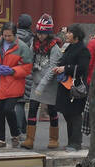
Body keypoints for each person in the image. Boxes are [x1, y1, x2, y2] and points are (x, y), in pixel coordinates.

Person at [0, 23, 31, 148]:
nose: (7, 38)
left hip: (14, 83)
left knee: (8, 109)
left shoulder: (23, 47)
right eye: (4, 35)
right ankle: (1, 139)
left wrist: (13, 70)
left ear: (15, 35)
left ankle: (15, 135)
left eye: (9, 36)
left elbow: (27, 68)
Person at [22, 14, 64, 149]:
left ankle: (54, 138)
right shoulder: (34, 43)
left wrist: (42, 85)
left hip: (50, 83)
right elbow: (29, 58)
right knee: (32, 109)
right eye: (38, 33)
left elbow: (52, 69)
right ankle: (29, 139)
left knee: (52, 110)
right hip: (36, 80)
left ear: (49, 33)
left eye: (43, 34)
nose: (40, 36)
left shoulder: (55, 48)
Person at [53, 24, 91, 151]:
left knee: (75, 115)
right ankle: (70, 142)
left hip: (76, 87)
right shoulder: (69, 47)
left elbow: (82, 68)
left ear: (77, 36)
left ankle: (76, 143)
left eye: (70, 33)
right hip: (65, 85)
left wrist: (65, 68)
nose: (67, 35)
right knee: (67, 114)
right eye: (67, 32)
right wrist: (58, 68)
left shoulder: (83, 50)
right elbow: (64, 61)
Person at [14, 13, 37, 135]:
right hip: (28, 72)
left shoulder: (13, 38)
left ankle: (19, 130)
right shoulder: (33, 38)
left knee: (18, 102)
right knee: (21, 102)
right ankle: (23, 128)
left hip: (14, 71)